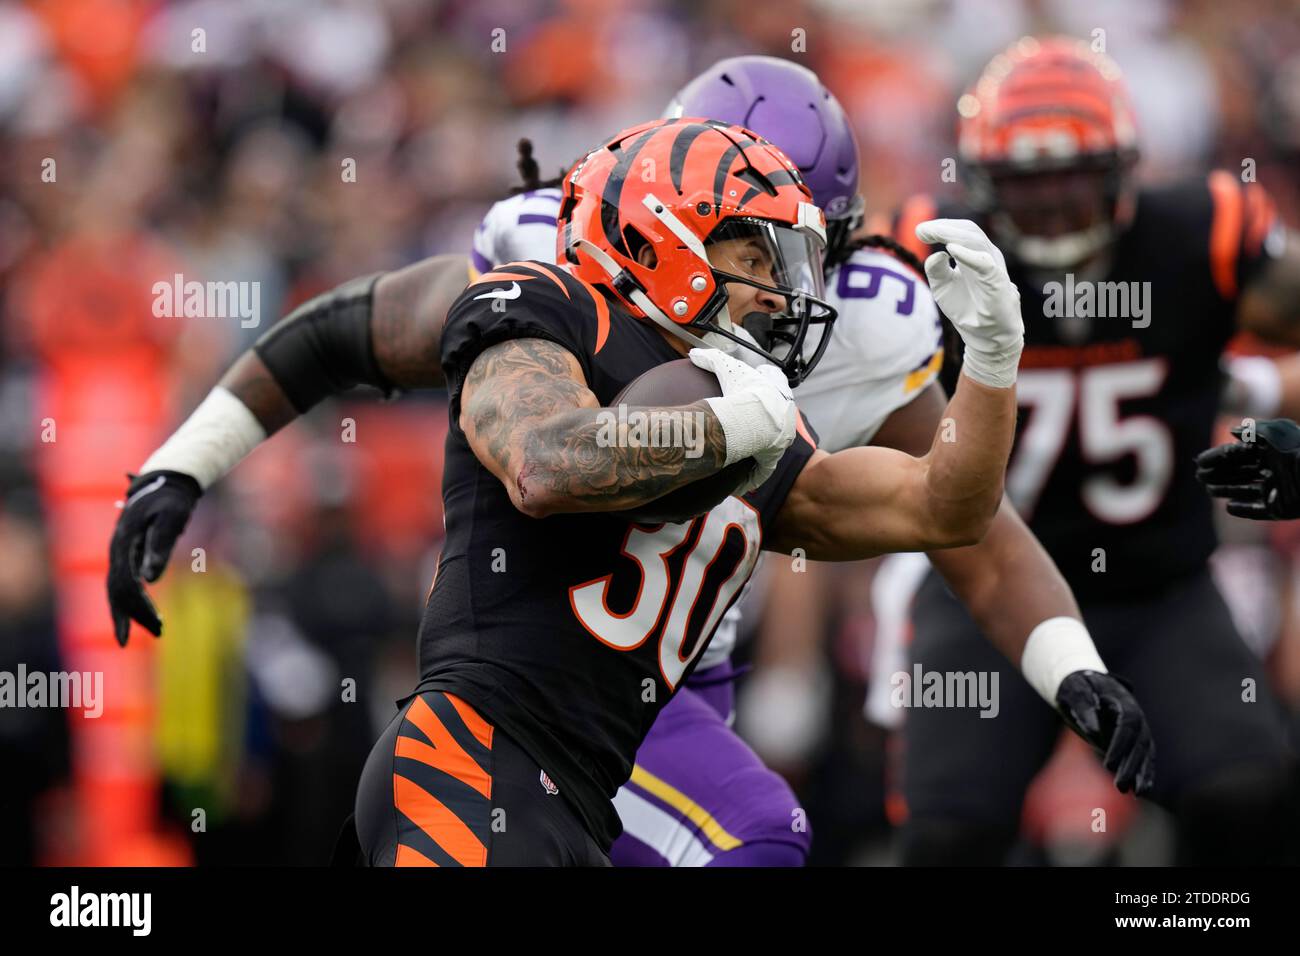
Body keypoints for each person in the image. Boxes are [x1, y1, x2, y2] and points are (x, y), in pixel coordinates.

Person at [112, 114, 1032, 865]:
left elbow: (943, 509)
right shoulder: (548, 310)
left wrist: (991, 364)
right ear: (664, 237)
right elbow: (546, 462)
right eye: (754, 256)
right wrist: (185, 461)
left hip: (579, 808)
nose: (780, 290)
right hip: (466, 758)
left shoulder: (757, 422)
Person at [472, 55, 1156, 867]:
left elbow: (957, 519)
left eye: (804, 248)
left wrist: (1067, 662)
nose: (781, 288)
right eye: (748, 248)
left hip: (684, 676)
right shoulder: (546, 260)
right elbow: (373, 337)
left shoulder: (867, 325)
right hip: (523, 670)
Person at [888, 36, 1299, 865]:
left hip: (1160, 585)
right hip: (985, 584)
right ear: (981, 187)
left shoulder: (1201, 231)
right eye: (1028, 190)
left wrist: (1258, 392)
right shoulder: (931, 250)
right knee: (948, 833)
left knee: (1246, 795)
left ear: (1123, 173)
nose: (1051, 213)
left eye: (1074, 186)